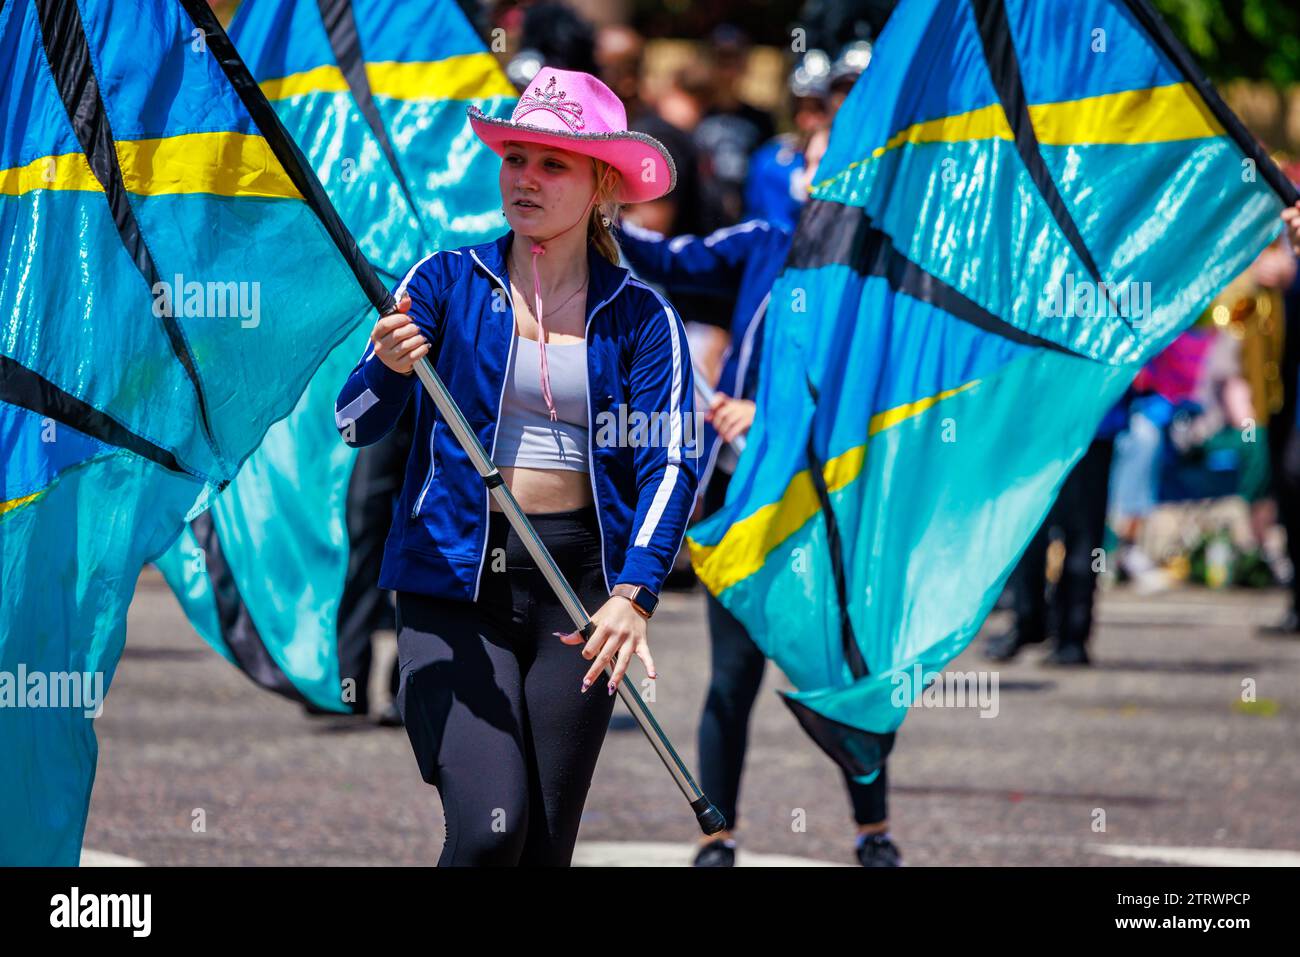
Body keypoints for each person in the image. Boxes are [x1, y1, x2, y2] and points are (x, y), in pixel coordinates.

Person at [334, 68, 697, 866]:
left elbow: (673, 462)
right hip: (449, 581)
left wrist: (635, 592)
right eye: (516, 159)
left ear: (603, 182)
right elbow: (354, 423)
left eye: (553, 163)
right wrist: (389, 370)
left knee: (541, 851)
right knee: (491, 832)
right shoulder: (442, 280)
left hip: (581, 597)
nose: (525, 178)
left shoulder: (644, 316)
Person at [617, 126, 902, 867]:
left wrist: (774, 422)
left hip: (831, 510)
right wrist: (591, 205)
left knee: (843, 672)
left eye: (830, 156)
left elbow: (880, 391)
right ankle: (719, 835)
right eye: (809, 156)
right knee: (731, 677)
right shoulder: (762, 243)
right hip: (742, 503)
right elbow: (662, 262)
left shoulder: (881, 267)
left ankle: (873, 831)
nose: (812, 169)